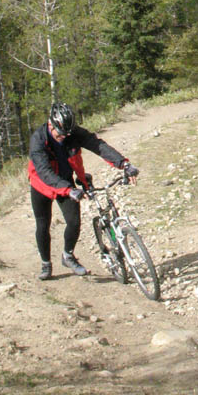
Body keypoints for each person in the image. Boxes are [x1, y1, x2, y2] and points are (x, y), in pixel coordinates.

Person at [28, 101, 137, 280]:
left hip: (65, 181)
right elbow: (44, 172)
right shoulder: (38, 140)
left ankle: (68, 256)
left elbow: (98, 145)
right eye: (60, 133)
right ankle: (46, 263)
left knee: (74, 221)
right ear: (51, 124)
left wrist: (124, 164)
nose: (64, 137)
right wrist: (69, 190)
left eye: (67, 134)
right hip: (42, 184)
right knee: (43, 224)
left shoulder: (73, 133)